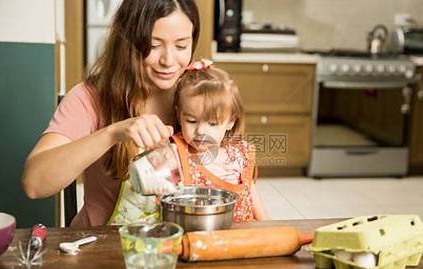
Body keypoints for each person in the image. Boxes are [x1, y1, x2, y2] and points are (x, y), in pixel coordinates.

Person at [21, 0, 200, 227]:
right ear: (128, 42)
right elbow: (34, 183)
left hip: (179, 245)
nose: (168, 60)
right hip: (101, 249)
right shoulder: (91, 97)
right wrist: (112, 133)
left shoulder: (197, 91)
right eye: (153, 46)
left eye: (181, 46)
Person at [171, 59, 269, 221]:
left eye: (212, 123)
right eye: (191, 121)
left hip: (243, 238)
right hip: (201, 239)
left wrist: (270, 228)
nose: (201, 131)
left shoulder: (240, 154)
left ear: (231, 121)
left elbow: (252, 196)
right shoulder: (176, 153)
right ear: (178, 114)